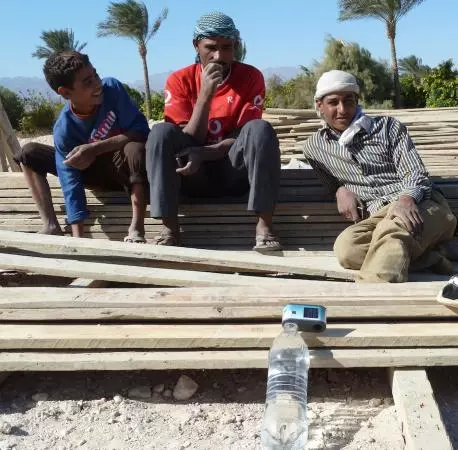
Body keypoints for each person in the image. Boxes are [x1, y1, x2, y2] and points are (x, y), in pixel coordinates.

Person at [303, 69, 457, 283]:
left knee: (393, 232)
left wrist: (406, 199)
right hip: (378, 215)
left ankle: (374, 295)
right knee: (347, 248)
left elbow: (416, 173)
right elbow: (329, 181)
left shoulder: (387, 128)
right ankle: (434, 256)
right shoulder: (315, 147)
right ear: (319, 105)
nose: (342, 109)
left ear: (357, 101)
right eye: (333, 102)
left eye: (349, 101)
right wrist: (339, 189)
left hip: (423, 204)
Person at [146, 11, 282, 250]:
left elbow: (246, 138)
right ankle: (169, 227)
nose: (219, 56)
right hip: (191, 175)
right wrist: (206, 95)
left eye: (227, 47)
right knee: (160, 133)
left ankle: (264, 226)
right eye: (211, 47)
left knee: (261, 129)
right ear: (196, 45)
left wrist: (203, 153)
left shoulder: (251, 77)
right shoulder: (180, 80)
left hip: (233, 172)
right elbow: (186, 140)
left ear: (236, 46)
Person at [14, 51, 149, 242]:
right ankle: (51, 225)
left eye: (95, 74)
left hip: (127, 170)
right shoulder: (64, 128)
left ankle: (136, 228)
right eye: (87, 82)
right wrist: (79, 241)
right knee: (29, 152)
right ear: (65, 92)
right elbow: (70, 183)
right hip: (93, 174)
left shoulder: (112, 89)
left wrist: (94, 148)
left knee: (134, 148)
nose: (97, 84)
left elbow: (142, 131)